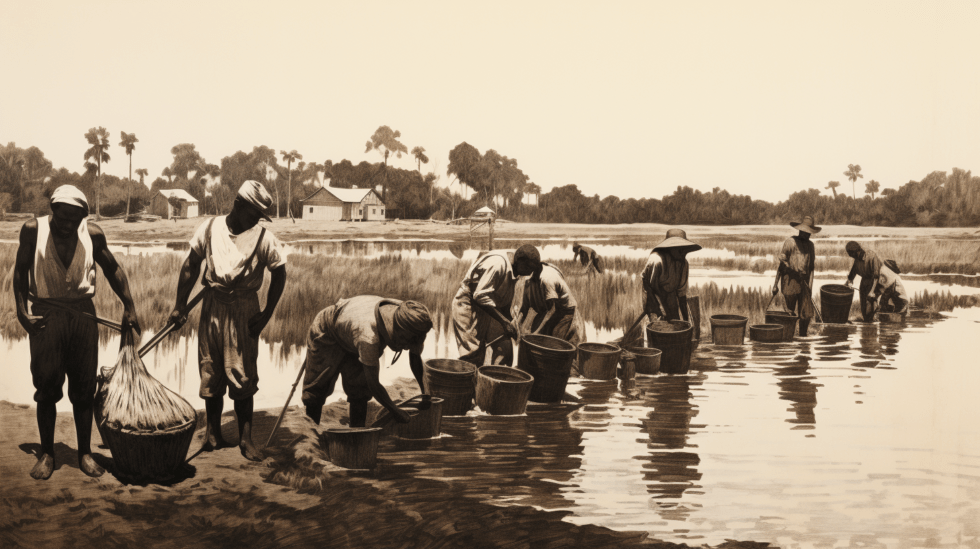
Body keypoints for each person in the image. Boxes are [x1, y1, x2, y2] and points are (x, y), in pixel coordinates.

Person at [13, 185, 141, 480]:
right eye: (62, 217)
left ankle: (84, 453)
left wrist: (129, 305)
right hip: (46, 314)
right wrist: (22, 313)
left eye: (75, 218)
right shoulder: (33, 230)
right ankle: (47, 453)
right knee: (46, 388)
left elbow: (113, 269)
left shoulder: (92, 234)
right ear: (52, 210)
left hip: (83, 316)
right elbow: (19, 274)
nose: (68, 224)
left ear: (83, 216)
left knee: (84, 389)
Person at [168, 180, 287, 461]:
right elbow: (190, 265)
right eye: (253, 213)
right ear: (238, 205)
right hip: (212, 305)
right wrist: (179, 305)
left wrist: (267, 313)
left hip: (245, 309)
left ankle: (246, 440)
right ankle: (212, 434)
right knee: (211, 370)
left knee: (242, 374)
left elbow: (279, 274)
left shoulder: (263, 237)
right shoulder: (210, 228)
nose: (256, 220)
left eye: (260, 216)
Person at [301, 297, 433, 427]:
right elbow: (374, 384)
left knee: (360, 390)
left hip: (352, 331)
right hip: (329, 331)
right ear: (395, 328)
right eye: (404, 340)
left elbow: (415, 357)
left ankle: (357, 436)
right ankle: (312, 436)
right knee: (316, 391)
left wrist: (426, 393)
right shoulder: (368, 336)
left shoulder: (414, 322)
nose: (406, 347)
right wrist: (395, 411)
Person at [452, 244, 540, 366]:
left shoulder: (514, 269)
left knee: (505, 348)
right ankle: (465, 382)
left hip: (487, 307)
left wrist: (510, 323)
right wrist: (504, 322)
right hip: (468, 304)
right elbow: (479, 296)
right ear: (520, 262)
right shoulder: (498, 264)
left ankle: (496, 380)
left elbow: (503, 301)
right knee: (472, 353)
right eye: (529, 268)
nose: (530, 273)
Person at [772, 216, 819, 337]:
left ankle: (803, 337)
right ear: (800, 231)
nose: (807, 235)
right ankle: (789, 337)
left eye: (809, 233)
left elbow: (811, 268)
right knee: (790, 313)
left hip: (804, 282)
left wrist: (810, 286)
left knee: (806, 314)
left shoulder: (811, 246)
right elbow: (781, 265)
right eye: (805, 232)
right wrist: (775, 285)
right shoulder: (790, 242)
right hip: (790, 281)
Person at [518, 260, 585, 345]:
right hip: (546, 312)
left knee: (555, 343)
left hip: (565, 312)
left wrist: (537, 333)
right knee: (538, 341)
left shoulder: (547, 278)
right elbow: (524, 308)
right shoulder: (528, 280)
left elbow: (552, 309)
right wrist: (517, 325)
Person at [641, 229, 701, 322]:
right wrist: (660, 309)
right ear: (670, 248)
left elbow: (681, 294)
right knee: (657, 323)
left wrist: (686, 321)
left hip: (670, 293)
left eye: (684, 249)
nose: (683, 252)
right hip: (651, 293)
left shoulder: (684, 264)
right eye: (679, 249)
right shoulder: (656, 260)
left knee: (675, 322)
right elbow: (651, 287)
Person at [845, 242, 908, 319]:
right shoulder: (857, 259)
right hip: (865, 280)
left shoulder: (871, 256)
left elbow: (876, 276)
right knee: (863, 304)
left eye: (850, 253)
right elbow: (852, 273)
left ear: (856, 252)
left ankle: (871, 320)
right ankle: (866, 320)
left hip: (875, 280)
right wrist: (848, 283)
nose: (849, 255)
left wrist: (872, 292)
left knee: (872, 301)